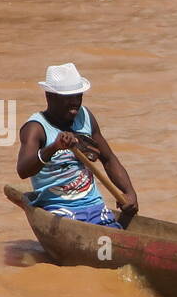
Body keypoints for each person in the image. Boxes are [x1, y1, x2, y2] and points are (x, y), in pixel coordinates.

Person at [15, 63, 138, 227]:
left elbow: (108, 159)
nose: (75, 104)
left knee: (115, 231)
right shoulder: (35, 128)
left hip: (94, 206)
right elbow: (23, 170)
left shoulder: (85, 117)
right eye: (68, 98)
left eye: (78, 96)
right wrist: (53, 147)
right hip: (58, 209)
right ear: (49, 97)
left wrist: (129, 193)